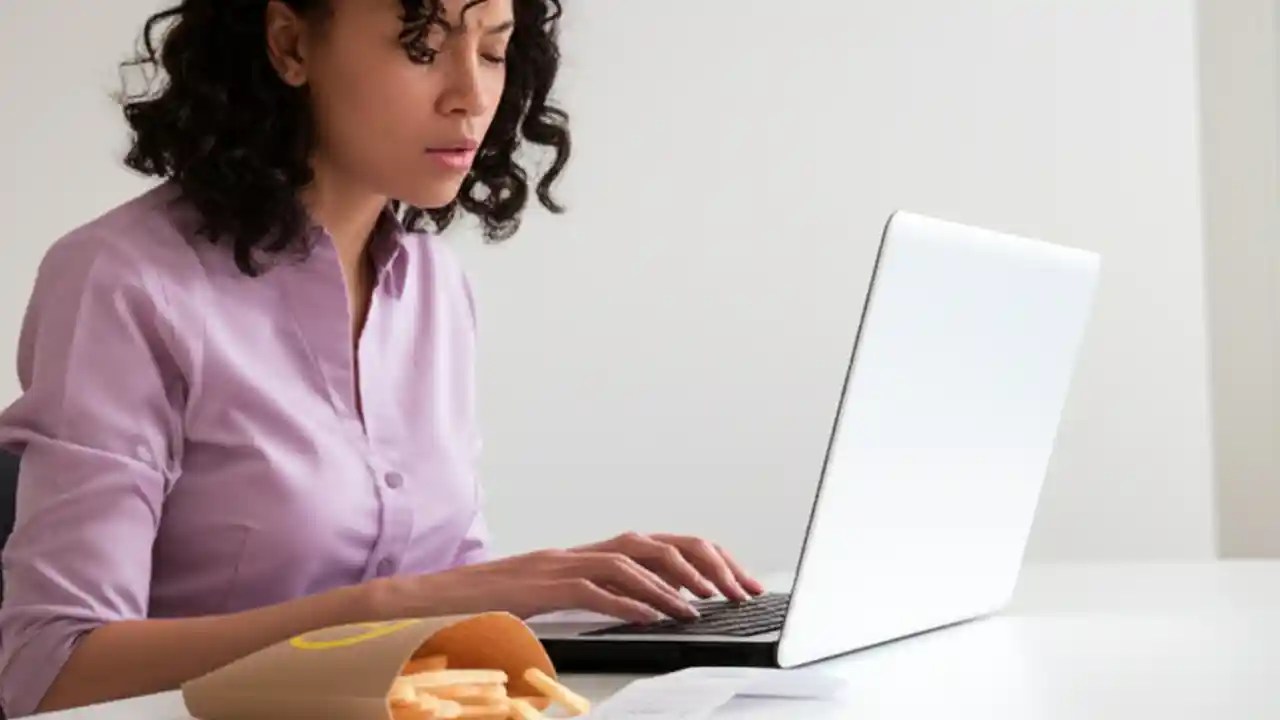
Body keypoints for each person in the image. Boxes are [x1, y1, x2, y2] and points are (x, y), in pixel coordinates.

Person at [0, 0, 765, 715]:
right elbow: (54, 668)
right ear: (291, 44)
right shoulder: (123, 280)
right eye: (422, 47)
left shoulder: (434, 286)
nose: (471, 95)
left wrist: (586, 593)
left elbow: (452, 591)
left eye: (495, 51)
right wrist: (389, 608)